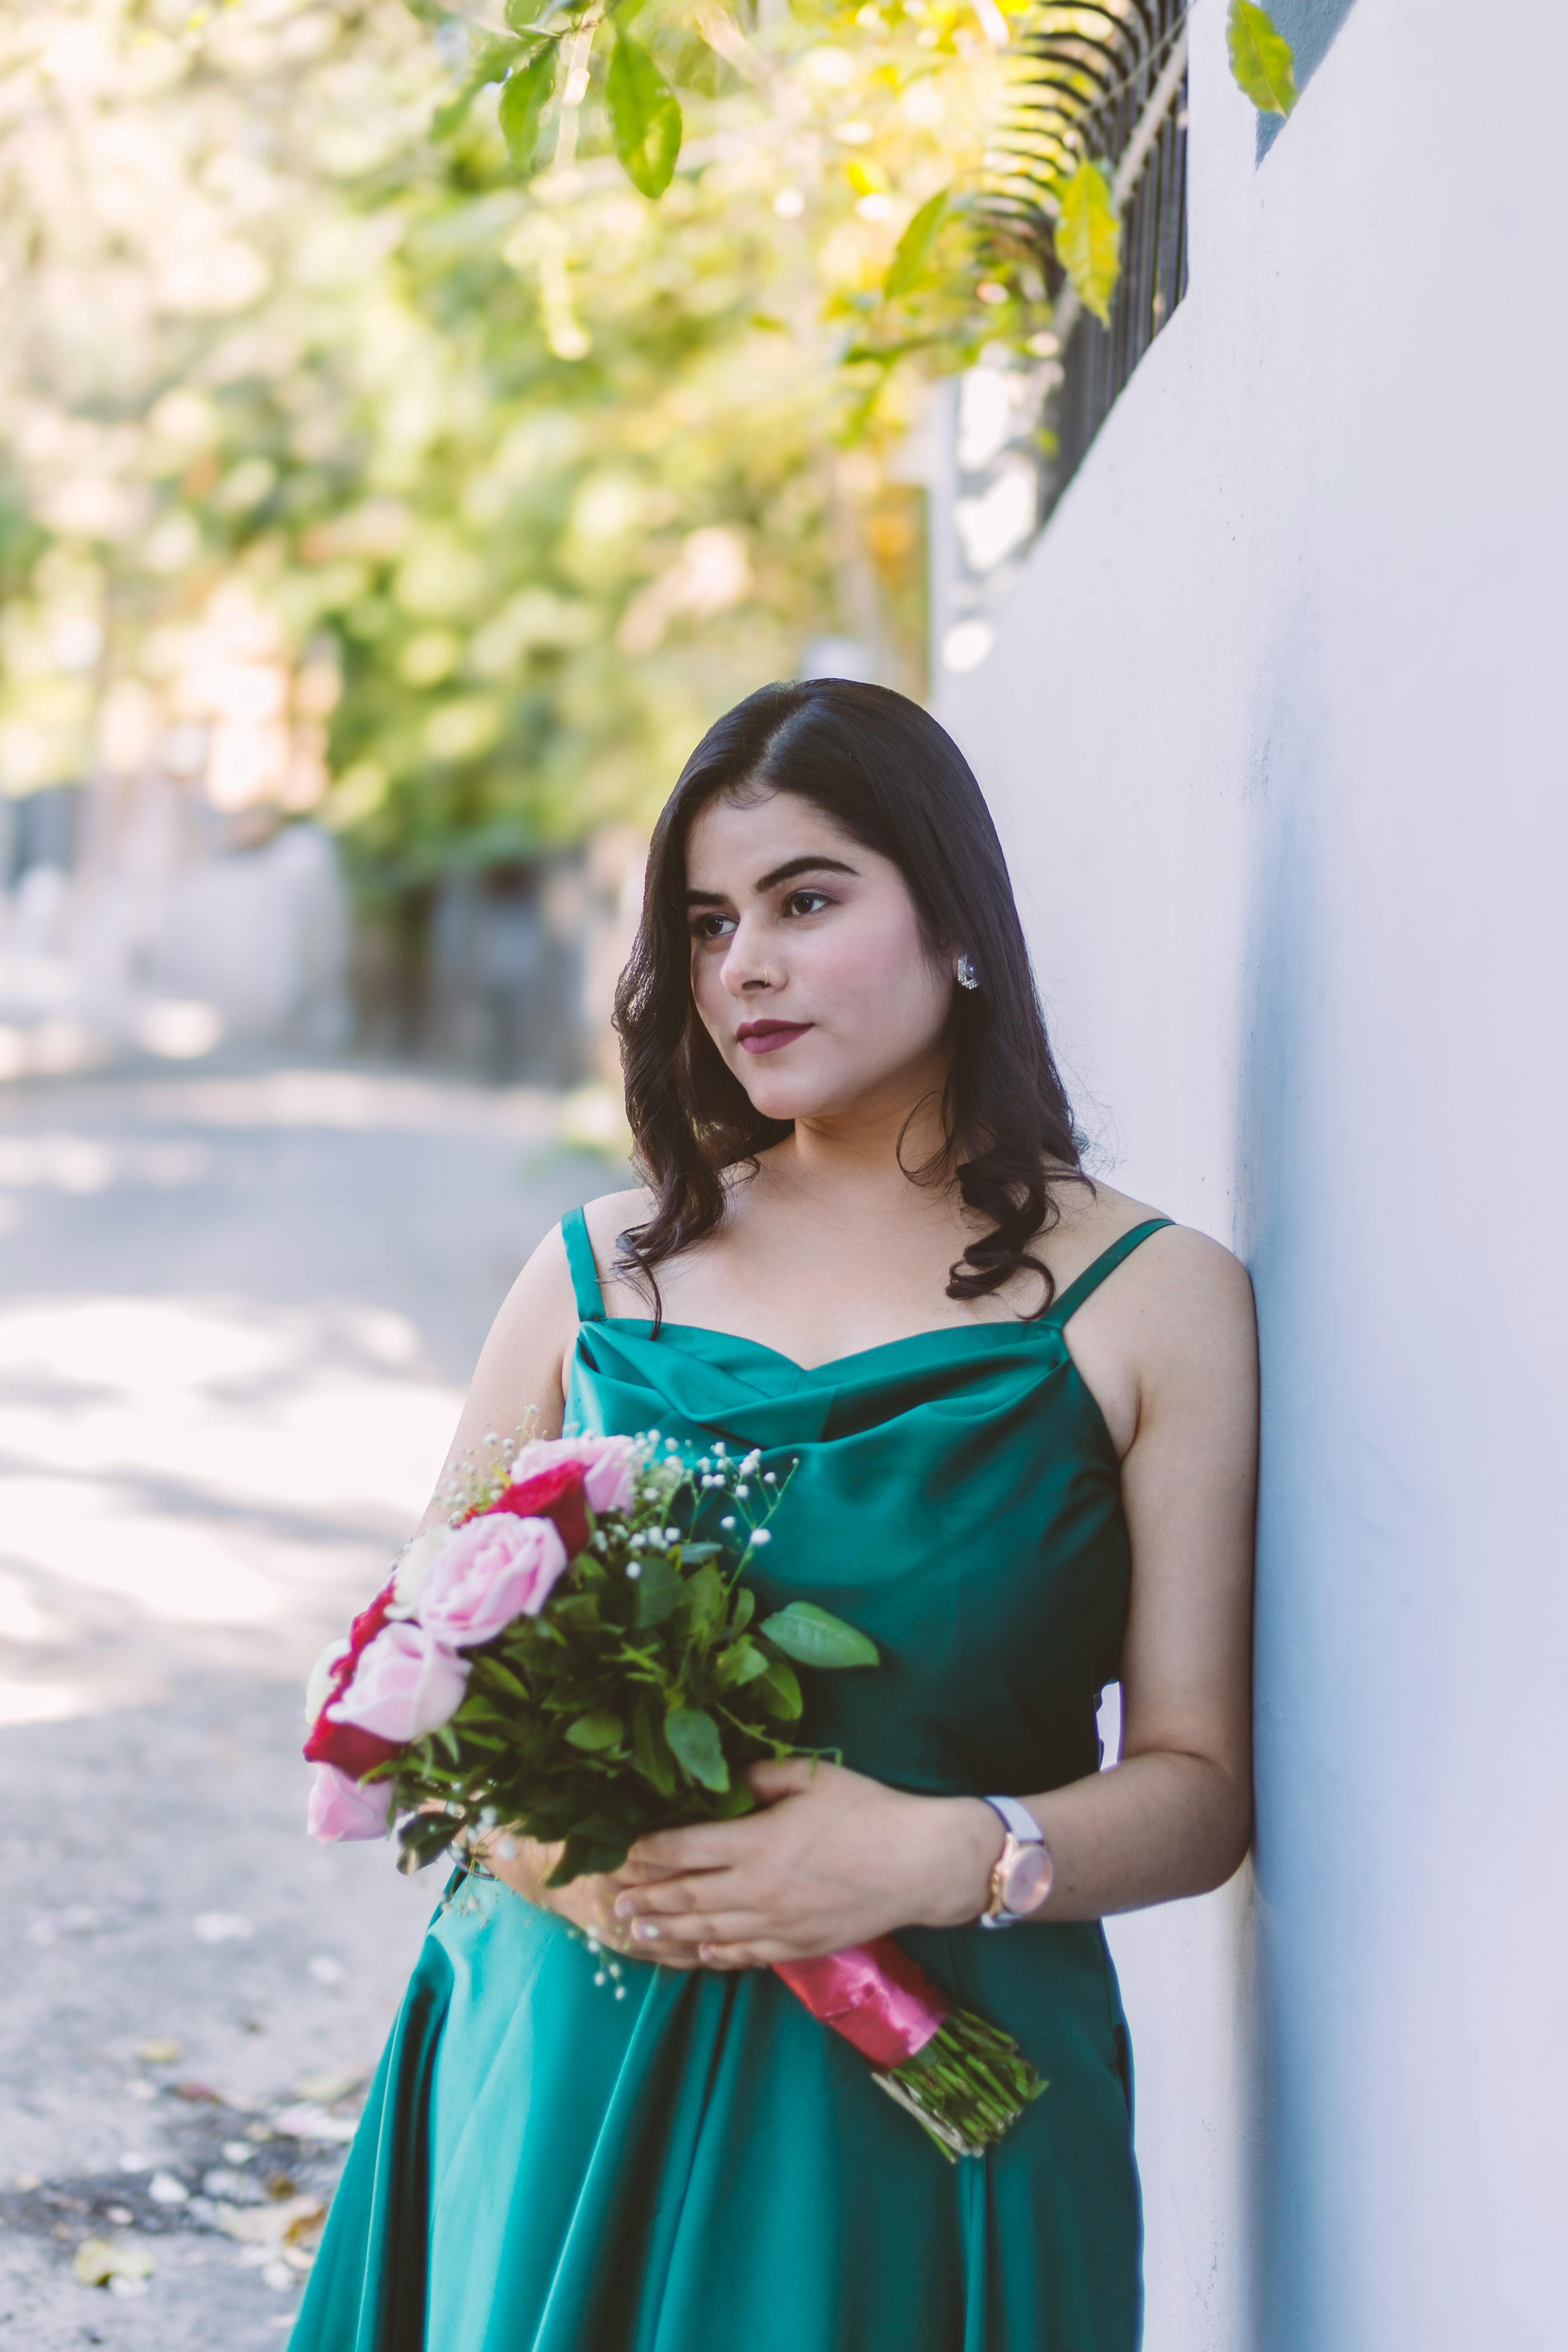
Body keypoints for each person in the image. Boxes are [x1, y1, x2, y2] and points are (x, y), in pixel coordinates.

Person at [291, 680, 1257, 2352]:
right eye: (710, 922)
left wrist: (941, 1854)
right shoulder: (600, 1277)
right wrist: (575, 1863)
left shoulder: (1153, 1302)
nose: (745, 966)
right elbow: (416, 1668)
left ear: (957, 921)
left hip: (933, 2090)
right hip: (566, 2058)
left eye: (808, 901)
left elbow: (1198, 1795)